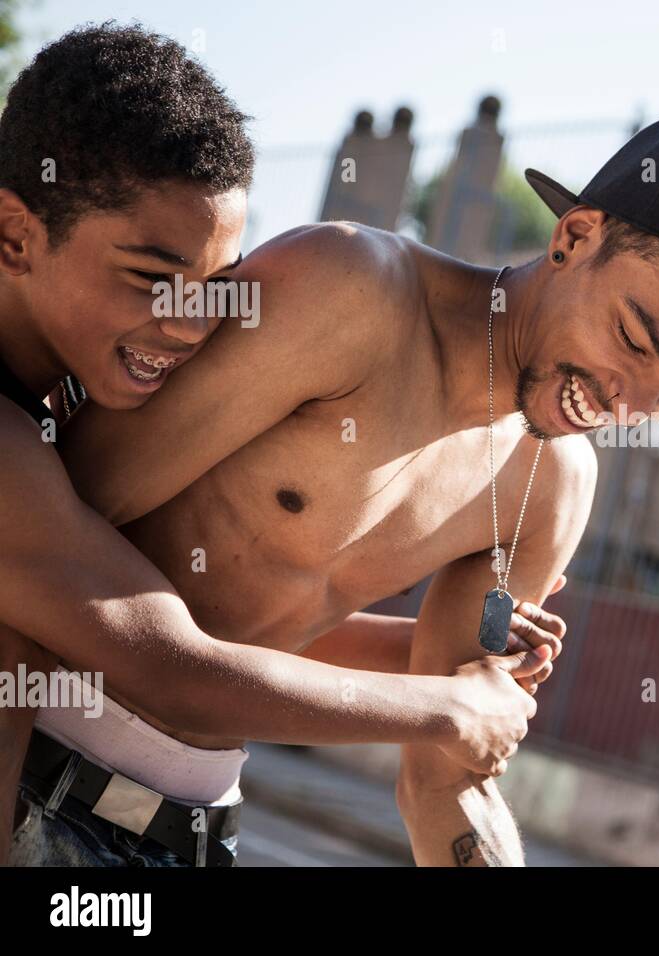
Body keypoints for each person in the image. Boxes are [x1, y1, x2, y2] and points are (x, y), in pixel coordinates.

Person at [43, 116, 659, 866]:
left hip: (195, 828)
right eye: (632, 339)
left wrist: (446, 697)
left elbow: (446, 780)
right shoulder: (350, 292)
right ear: (574, 238)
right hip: (36, 765)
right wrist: (442, 702)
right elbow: (57, 544)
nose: (629, 404)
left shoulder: (551, 483)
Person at [0, 24, 556, 868]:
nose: (187, 325)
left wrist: (435, 653)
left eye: (217, 288)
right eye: (151, 279)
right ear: (15, 234)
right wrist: (446, 708)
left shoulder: (71, 390)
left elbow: (169, 603)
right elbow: (173, 667)